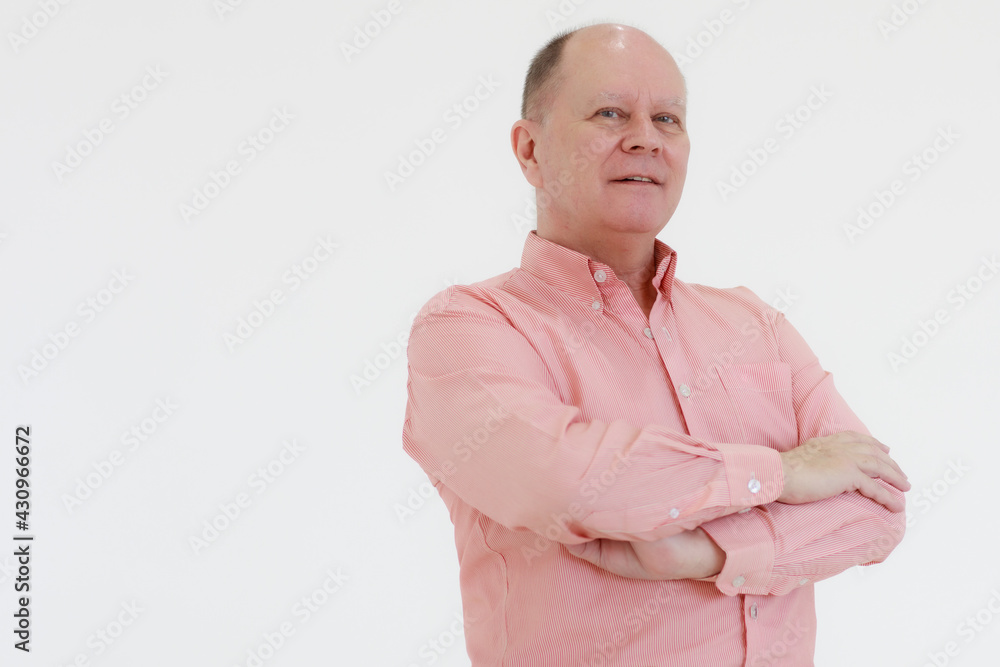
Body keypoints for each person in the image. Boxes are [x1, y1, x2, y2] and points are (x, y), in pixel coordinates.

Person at [401, 22, 909, 666]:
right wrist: (784, 473)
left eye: (667, 118)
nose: (646, 138)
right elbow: (566, 481)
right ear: (529, 150)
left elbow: (877, 504)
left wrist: (708, 552)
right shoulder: (469, 327)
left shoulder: (754, 323)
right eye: (610, 113)